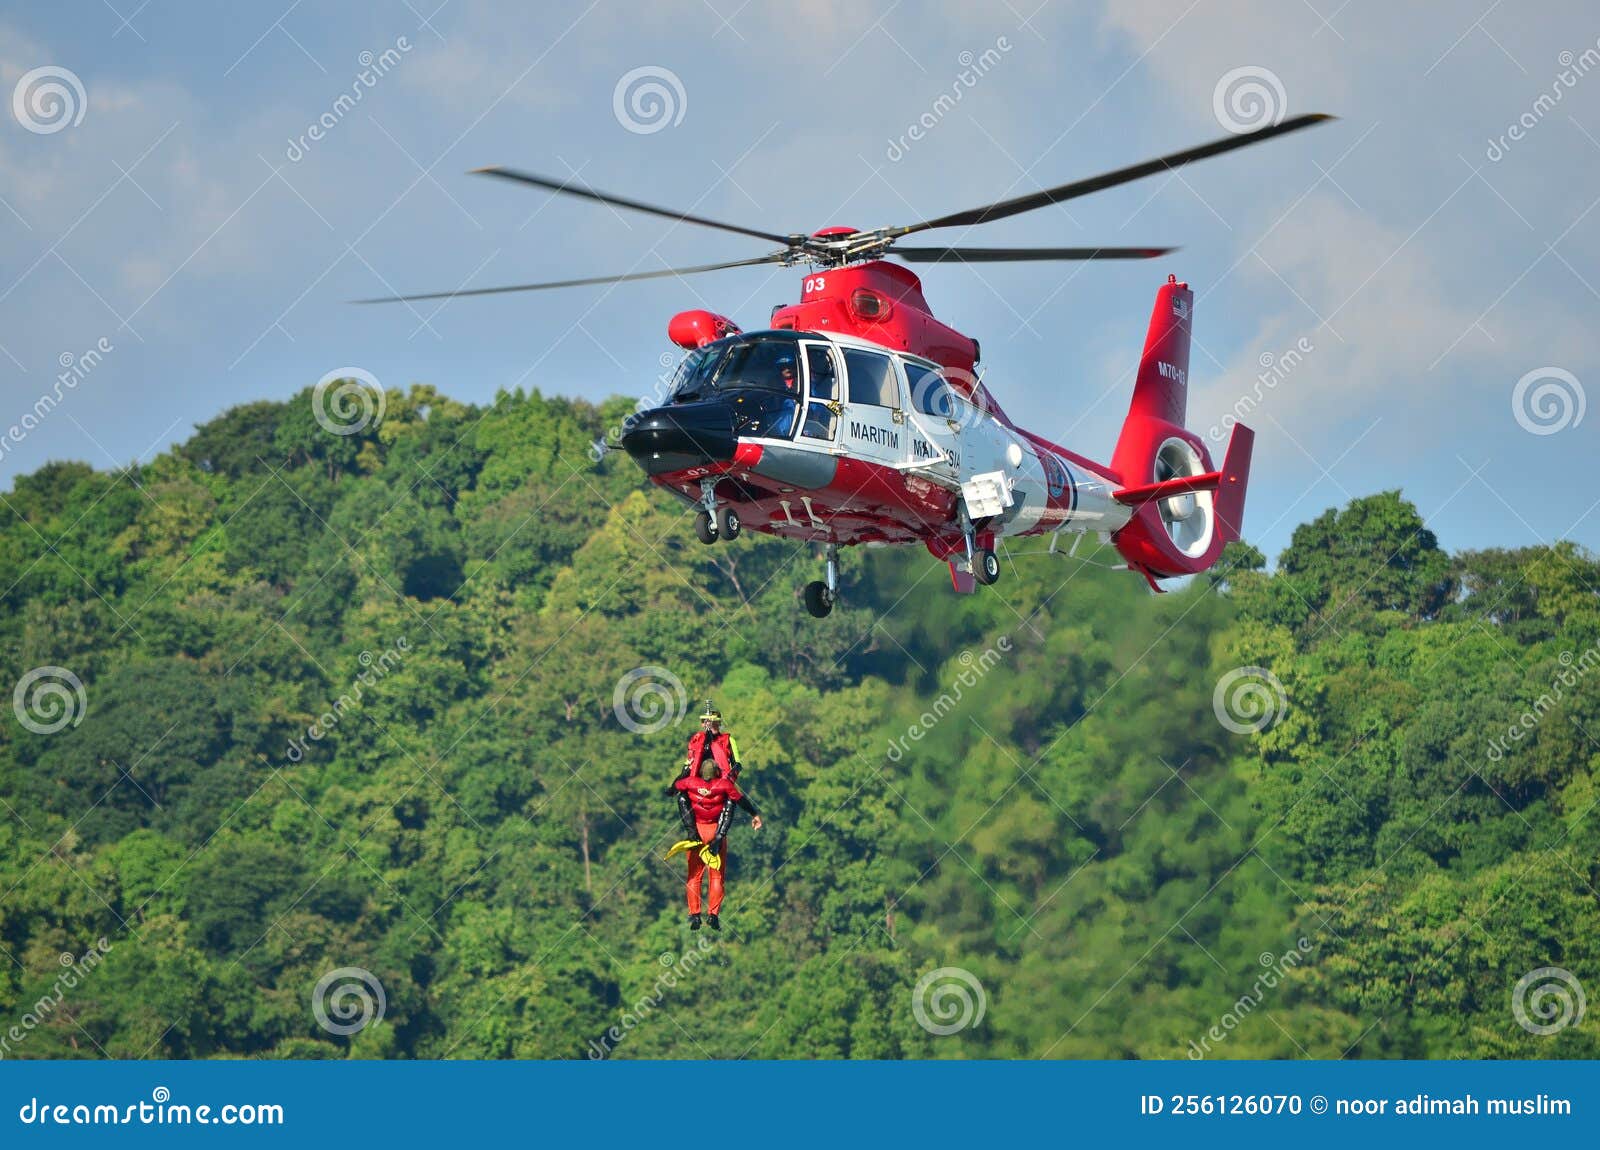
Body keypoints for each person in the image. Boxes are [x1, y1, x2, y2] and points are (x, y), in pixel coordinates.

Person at [671, 753, 761, 931]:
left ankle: (695, 915)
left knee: (694, 876)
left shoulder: (691, 783)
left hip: (696, 831)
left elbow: (673, 789)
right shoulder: (724, 785)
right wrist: (754, 814)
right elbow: (739, 800)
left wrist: (685, 770)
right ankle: (713, 915)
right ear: (717, 773)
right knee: (717, 876)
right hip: (715, 831)